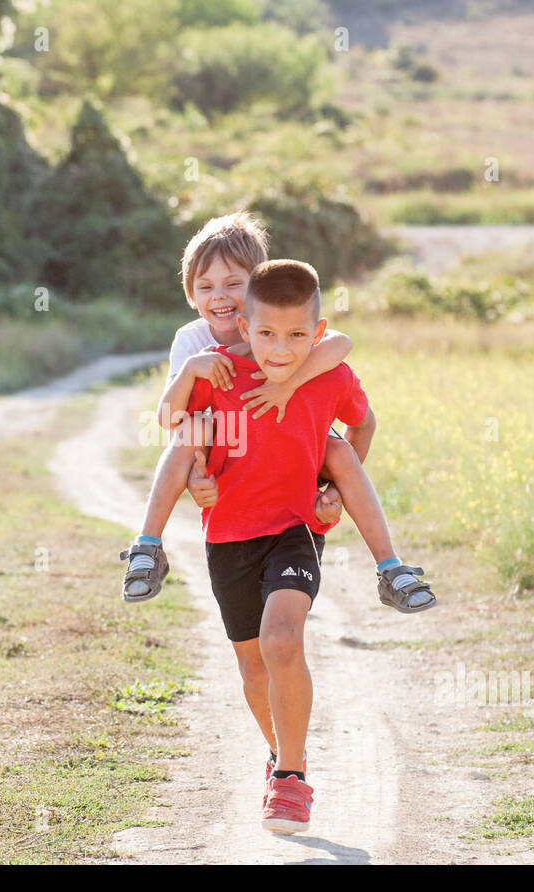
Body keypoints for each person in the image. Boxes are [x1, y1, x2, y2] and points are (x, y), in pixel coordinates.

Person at [162, 259, 435, 833]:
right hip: (229, 534)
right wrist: (195, 477)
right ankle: (285, 753)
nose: (280, 348)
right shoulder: (221, 371)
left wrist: (334, 484)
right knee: (252, 665)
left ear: (315, 331)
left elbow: (362, 425)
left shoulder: (328, 373)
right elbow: (179, 432)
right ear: (245, 325)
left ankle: (289, 780)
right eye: (266, 334)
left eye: (295, 336)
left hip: (297, 527)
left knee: (281, 639)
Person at [119, 212, 435, 618]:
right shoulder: (194, 339)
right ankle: (148, 544)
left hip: (290, 437)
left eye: (234, 283)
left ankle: (391, 568)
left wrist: (286, 385)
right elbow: (169, 418)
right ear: (191, 296)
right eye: (205, 286)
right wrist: (193, 378)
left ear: (260, 286)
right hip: (229, 441)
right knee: (192, 429)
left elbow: (341, 342)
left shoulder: (282, 327)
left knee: (338, 451)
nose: (219, 295)